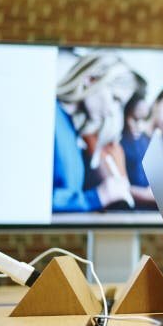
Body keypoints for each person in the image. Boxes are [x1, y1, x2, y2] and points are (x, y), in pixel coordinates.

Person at [52, 52, 137, 212]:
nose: (113, 111)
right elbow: (30, 199)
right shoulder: (49, 118)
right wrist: (98, 196)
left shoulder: (72, 130)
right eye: (114, 99)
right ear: (90, 80)